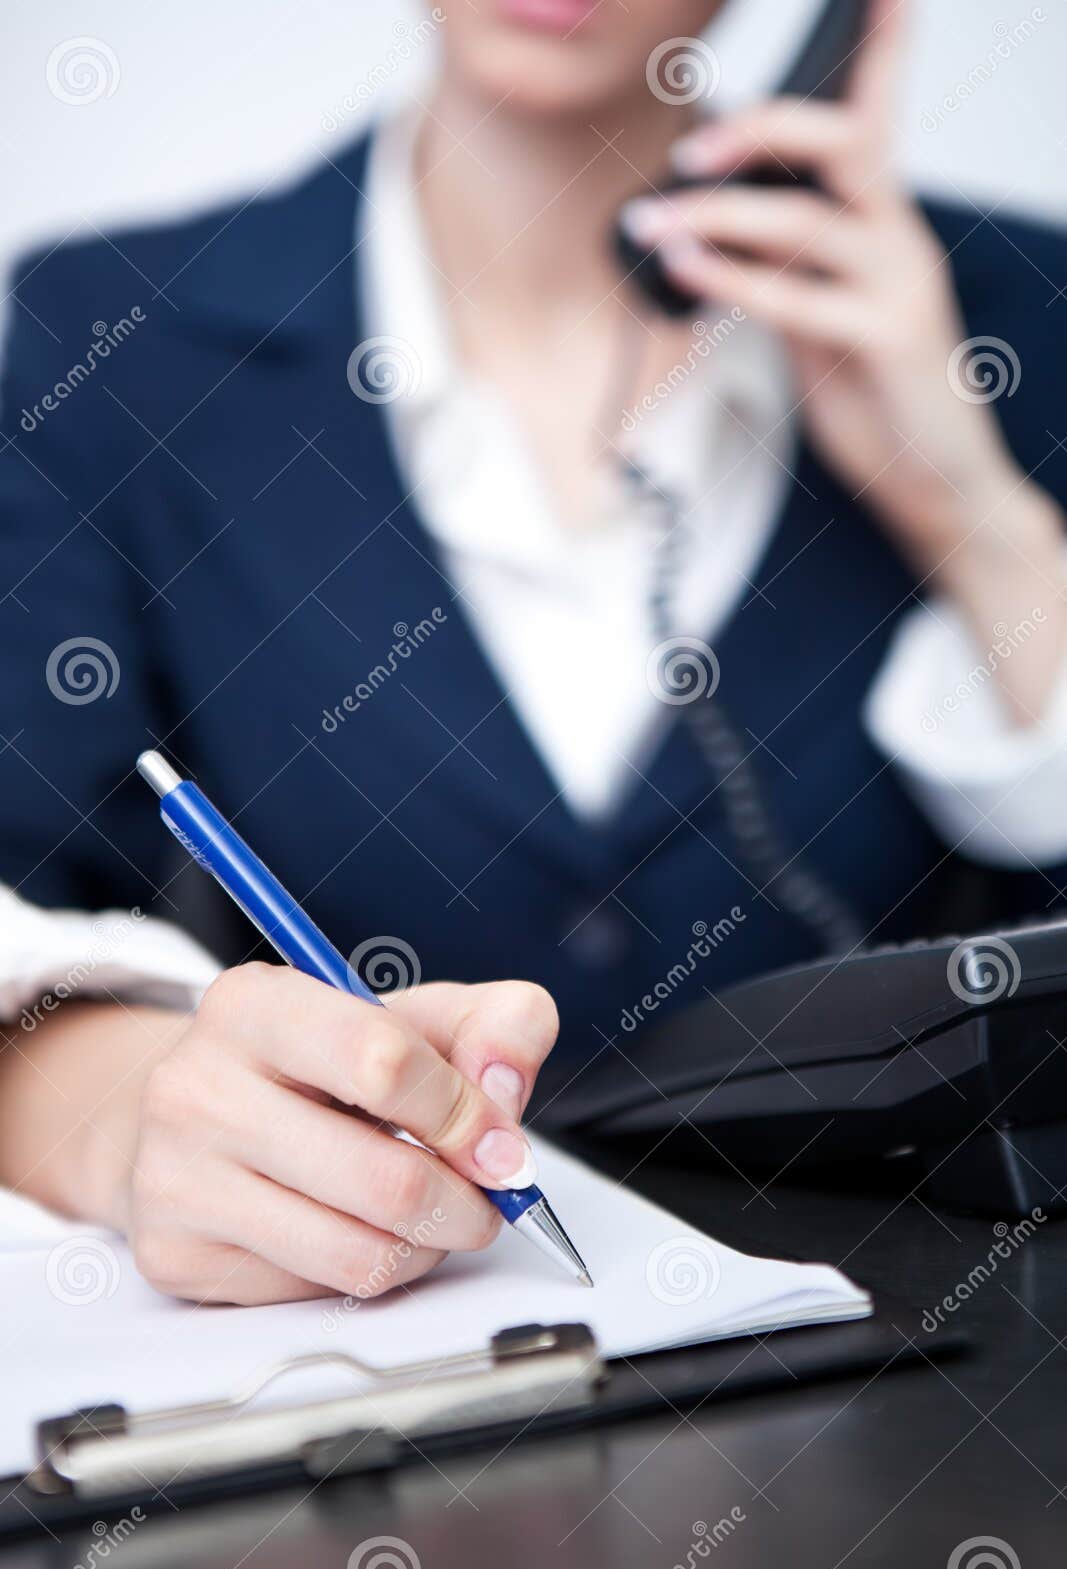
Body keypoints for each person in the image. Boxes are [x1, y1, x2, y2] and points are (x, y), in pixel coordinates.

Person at [0, 0, 1065, 1303]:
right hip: (385, 1388)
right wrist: (115, 1113)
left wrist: (977, 518)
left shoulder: (1018, 316)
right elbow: (19, 910)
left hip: (944, 1394)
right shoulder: (119, 341)